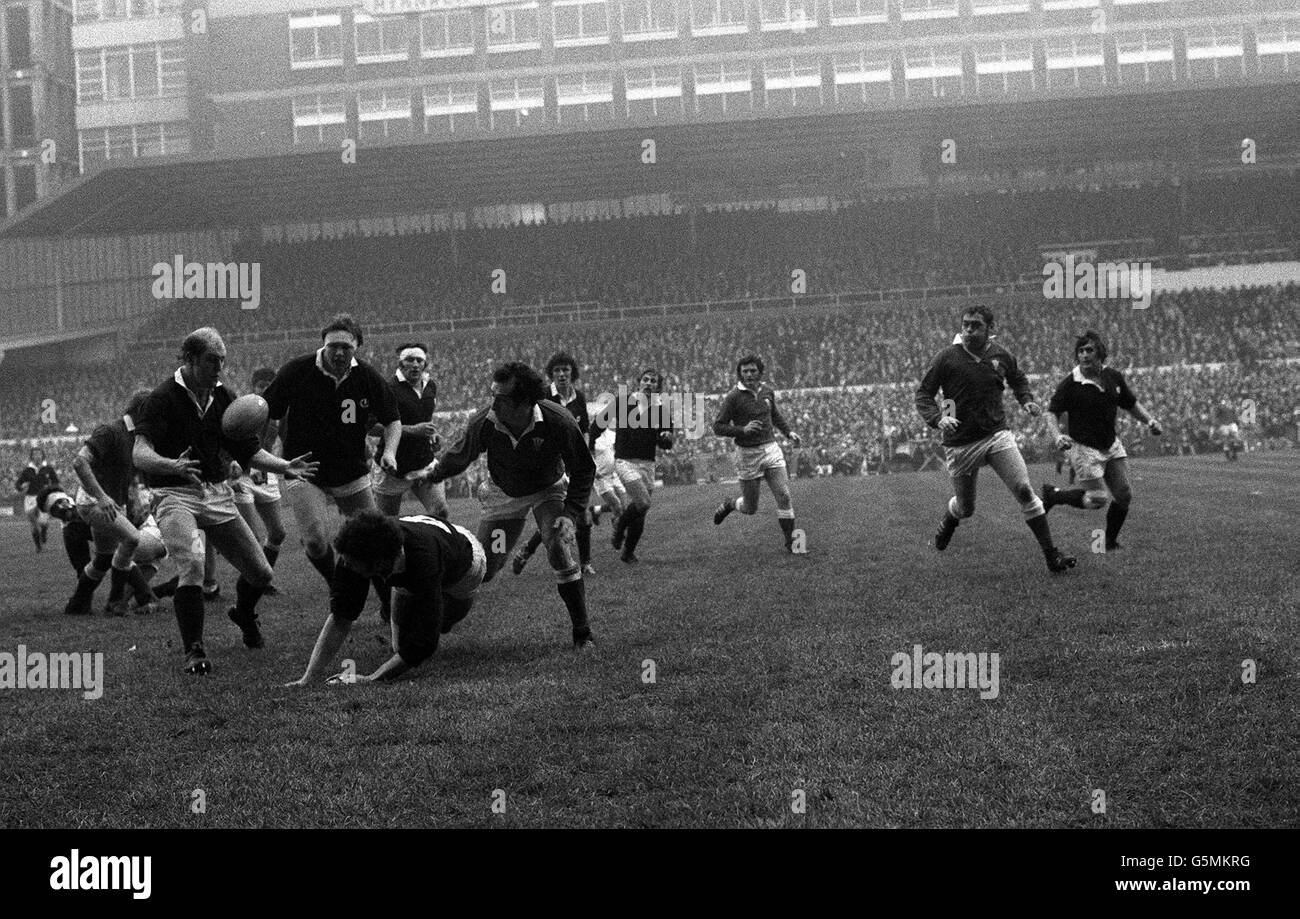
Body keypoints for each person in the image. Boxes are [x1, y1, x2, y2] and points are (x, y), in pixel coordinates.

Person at [133, 327, 319, 674]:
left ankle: (244, 614)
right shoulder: (162, 397)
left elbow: (248, 450)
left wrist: (285, 466)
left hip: (216, 492)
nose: (219, 367)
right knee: (191, 565)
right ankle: (194, 650)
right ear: (189, 360)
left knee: (261, 572)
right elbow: (140, 453)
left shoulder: (223, 397)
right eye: (212, 360)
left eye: (223, 360)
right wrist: (171, 464)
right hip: (174, 494)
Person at [407, 361, 596, 649]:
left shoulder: (558, 420)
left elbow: (583, 468)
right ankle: (438, 622)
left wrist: (570, 515)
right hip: (504, 495)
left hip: (548, 490)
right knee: (484, 568)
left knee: (556, 543)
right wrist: (433, 475)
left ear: (523, 402)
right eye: (492, 394)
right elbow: (462, 454)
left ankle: (582, 633)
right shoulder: (486, 421)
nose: (492, 402)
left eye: (500, 398)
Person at [915, 306, 1076, 573]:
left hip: (996, 434)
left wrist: (1026, 400)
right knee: (966, 508)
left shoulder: (1001, 355)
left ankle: (1052, 556)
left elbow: (1018, 378)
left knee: (1025, 490)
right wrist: (937, 418)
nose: (968, 330)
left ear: (990, 330)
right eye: (965, 325)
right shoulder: (946, 357)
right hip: (960, 442)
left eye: (975, 325)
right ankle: (950, 518)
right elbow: (924, 394)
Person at [261, 314, 401, 617]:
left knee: (374, 541)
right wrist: (255, 453)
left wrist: (389, 452)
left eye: (346, 348)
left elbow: (393, 420)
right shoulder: (297, 371)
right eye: (332, 345)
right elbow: (265, 411)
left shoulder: (366, 376)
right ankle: (336, 583)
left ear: (357, 347)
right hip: (304, 467)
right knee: (314, 540)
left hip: (350, 469)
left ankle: (389, 604)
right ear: (323, 343)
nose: (339, 352)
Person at [286, 511, 485, 685]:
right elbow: (341, 616)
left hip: (464, 563)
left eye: (353, 563)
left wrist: (372, 678)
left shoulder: (423, 561)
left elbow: (424, 643)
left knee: (439, 624)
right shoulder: (354, 550)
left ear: (379, 562)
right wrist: (308, 679)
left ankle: (452, 608)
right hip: (420, 550)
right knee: (400, 647)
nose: (348, 567)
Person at [1040, 331, 1162, 551]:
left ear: (1100, 353)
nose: (1085, 355)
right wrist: (1057, 436)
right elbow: (1051, 413)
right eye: (1081, 351)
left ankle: (1109, 541)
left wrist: (1150, 420)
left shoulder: (1113, 377)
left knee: (1124, 495)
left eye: (1090, 350)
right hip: (1084, 448)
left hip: (1111, 444)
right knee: (1097, 499)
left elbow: (1130, 404)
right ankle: (1054, 496)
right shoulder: (1070, 383)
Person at [63, 389, 167, 617]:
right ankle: (115, 602)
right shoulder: (110, 431)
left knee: (102, 559)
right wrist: (102, 497)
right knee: (131, 538)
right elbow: (80, 462)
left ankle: (78, 604)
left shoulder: (136, 438)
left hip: (109, 503)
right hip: (93, 502)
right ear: (141, 413)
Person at [512, 353, 596, 575]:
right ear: (551, 374)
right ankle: (527, 551)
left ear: (572, 373)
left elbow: (584, 430)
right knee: (557, 516)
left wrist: (584, 455)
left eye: (565, 370)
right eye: (557, 370)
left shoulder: (579, 398)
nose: (561, 374)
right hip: (552, 465)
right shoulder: (545, 396)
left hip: (574, 462)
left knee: (580, 510)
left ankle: (585, 563)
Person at [711, 355, 804, 551]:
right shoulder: (733, 397)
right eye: (745, 371)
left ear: (760, 372)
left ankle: (792, 543)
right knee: (750, 508)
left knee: (784, 496)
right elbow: (718, 427)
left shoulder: (767, 391)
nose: (749, 374)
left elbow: (774, 414)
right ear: (740, 374)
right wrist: (741, 430)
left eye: (753, 370)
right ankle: (730, 504)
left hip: (771, 449)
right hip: (747, 454)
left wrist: (788, 432)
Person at [604, 369, 676, 564]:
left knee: (640, 513)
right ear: (639, 383)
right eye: (645, 379)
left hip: (647, 463)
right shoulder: (624, 401)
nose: (649, 383)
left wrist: (666, 438)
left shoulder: (662, 410)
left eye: (653, 381)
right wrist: (591, 441)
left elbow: (666, 441)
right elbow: (600, 421)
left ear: (658, 387)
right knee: (643, 503)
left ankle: (628, 553)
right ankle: (619, 525)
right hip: (625, 461)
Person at [230, 367, 289, 594]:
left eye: (269, 385)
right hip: (241, 476)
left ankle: (258, 578)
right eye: (260, 385)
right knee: (252, 535)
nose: (264, 389)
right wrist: (231, 464)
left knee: (278, 533)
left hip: (265, 474)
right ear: (253, 386)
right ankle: (257, 582)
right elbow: (228, 439)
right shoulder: (241, 409)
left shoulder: (278, 412)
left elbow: (286, 438)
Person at [373, 343, 448, 519]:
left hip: (424, 462)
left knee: (441, 513)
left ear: (425, 364)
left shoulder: (430, 385)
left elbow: (425, 418)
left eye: (419, 360)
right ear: (400, 364)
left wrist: (433, 434)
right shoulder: (387, 389)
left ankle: (432, 546)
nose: (415, 364)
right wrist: (412, 430)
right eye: (409, 360)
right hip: (393, 467)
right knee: (388, 523)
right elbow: (371, 428)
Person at [15, 447, 59, 552]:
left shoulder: (48, 468)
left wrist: (53, 490)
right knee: (33, 522)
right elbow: (18, 484)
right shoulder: (27, 470)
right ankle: (38, 547)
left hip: (43, 498)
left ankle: (43, 531)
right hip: (30, 498)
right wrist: (22, 487)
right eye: (35, 454)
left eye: (39, 454)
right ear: (31, 456)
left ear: (42, 455)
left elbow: (56, 482)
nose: (37, 456)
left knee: (43, 522)